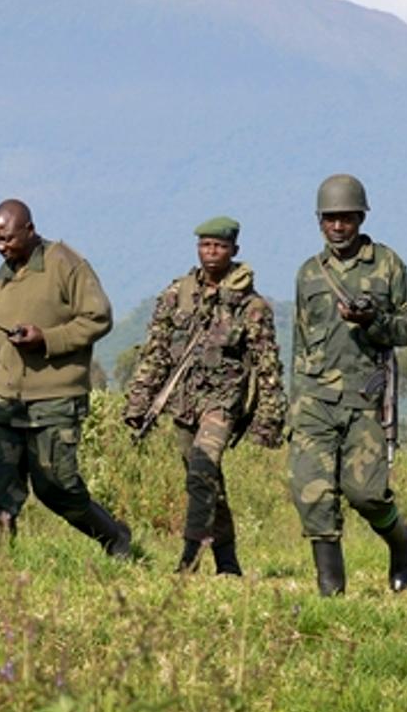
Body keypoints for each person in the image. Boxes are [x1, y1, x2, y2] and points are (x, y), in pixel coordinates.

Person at [121, 216, 286, 575]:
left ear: (234, 251)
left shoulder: (250, 306)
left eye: (220, 246)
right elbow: (156, 351)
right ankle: (227, 563)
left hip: (223, 403)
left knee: (201, 470)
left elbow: (268, 366)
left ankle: (189, 561)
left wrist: (269, 420)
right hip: (182, 403)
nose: (212, 252)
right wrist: (139, 400)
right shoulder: (177, 294)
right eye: (206, 245)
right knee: (206, 480)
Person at [288, 174, 407, 595]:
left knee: (366, 494)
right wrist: (292, 404)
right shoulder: (309, 273)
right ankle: (332, 591)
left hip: (364, 399)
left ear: (360, 217)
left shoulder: (387, 264)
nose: (338, 227)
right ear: (319, 222)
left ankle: (400, 540)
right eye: (330, 219)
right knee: (312, 494)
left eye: (345, 218)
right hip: (313, 401)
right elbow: (299, 341)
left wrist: (376, 322)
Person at [0, 199, 130, 556]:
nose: (1, 247)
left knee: (56, 486)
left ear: (30, 230)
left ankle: (114, 537)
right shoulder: (3, 275)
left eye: (8, 239)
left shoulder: (65, 263)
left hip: (55, 398)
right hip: (6, 400)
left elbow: (98, 317)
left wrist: (47, 338)